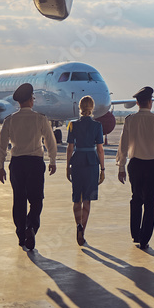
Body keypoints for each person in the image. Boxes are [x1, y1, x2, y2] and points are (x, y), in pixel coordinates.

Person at [0, 83, 58, 251]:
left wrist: (0, 166)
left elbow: (2, 145)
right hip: (35, 163)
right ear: (31, 100)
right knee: (36, 200)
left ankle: (21, 236)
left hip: (17, 164)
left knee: (19, 200)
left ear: (19, 102)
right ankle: (31, 227)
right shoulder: (40, 119)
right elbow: (50, 141)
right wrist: (52, 160)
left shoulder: (10, 120)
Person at [116, 86, 154, 250]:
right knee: (150, 202)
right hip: (153, 165)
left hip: (136, 165)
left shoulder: (130, 120)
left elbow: (123, 145)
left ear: (137, 103)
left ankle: (135, 233)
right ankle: (144, 238)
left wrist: (121, 167)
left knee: (136, 199)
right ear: (150, 102)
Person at [66, 95, 106, 247]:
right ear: (92, 108)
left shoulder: (73, 125)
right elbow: (100, 149)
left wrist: (67, 166)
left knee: (77, 198)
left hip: (77, 162)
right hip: (91, 163)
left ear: (80, 108)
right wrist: (102, 169)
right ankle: (83, 229)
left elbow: (70, 147)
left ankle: (78, 225)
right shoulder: (97, 126)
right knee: (87, 199)